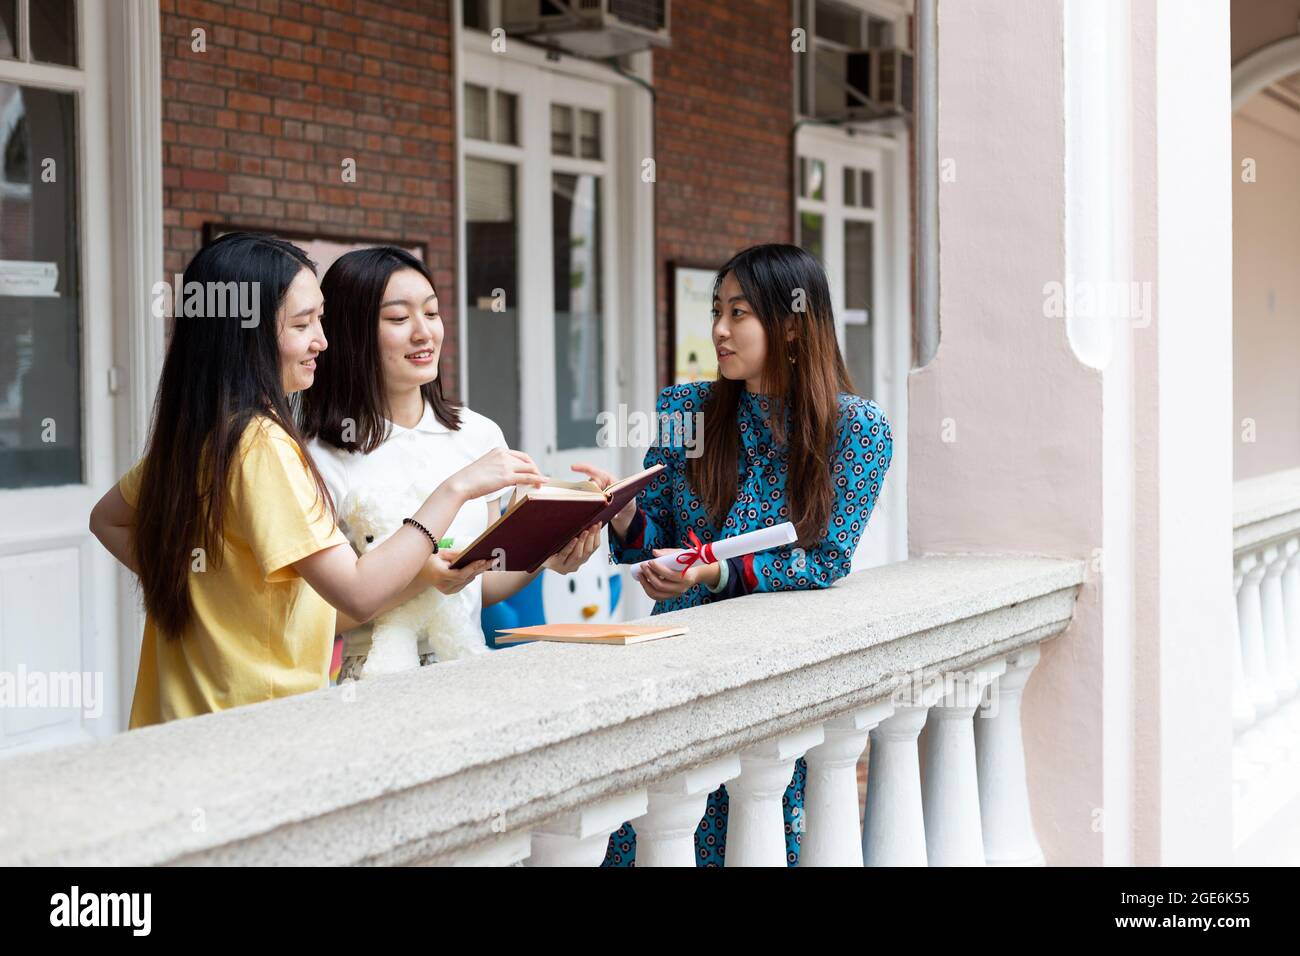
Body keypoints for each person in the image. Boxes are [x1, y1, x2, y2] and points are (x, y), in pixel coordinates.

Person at [89, 233, 543, 727]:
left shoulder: (199, 433)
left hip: (175, 726)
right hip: (256, 728)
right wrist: (454, 490)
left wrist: (207, 594)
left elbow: (107, 519)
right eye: (302, 323)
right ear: (247, 334)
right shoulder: (265, 446)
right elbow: (357, 593)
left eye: (320, 320)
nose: (321, 341)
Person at [575, 243, 894, 866]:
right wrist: (624, 512)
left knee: (761, 837)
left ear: (793, 325)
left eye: (739, 314)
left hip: (781, 678)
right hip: (677, 672)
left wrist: (721, 570)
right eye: (716, 311)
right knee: (659, 836)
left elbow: (824, 562)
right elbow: (654, 535)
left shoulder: (855, 429)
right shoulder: (684, 410)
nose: (719, 330)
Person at [300, 246, 600, 678]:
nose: (424, 333)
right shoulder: (318, 455)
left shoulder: (477, 434)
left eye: (432, 313)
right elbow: (320, 619)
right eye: (399, 319)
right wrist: (420, 577)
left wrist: (547, 554)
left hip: (467, 673)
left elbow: (483, 585)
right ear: (351, 333)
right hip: (375, 686)